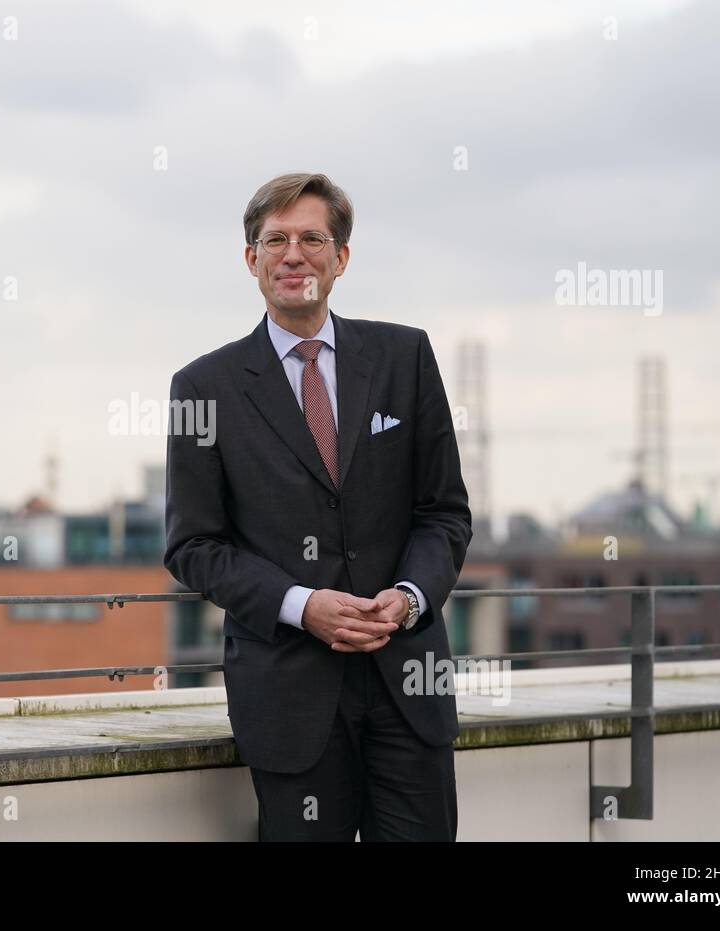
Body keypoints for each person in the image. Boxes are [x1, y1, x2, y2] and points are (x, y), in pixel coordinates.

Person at [163, 172, 473, 841]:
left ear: (341, 258)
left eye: (312, 238)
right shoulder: (201, 387)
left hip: (407, 677)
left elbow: (443, 511)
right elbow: (193, 546)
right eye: (276, 239)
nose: (293, 254)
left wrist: (410, 596)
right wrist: (304, 604)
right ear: (252, 259)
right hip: (289, 692)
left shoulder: (405, 356)